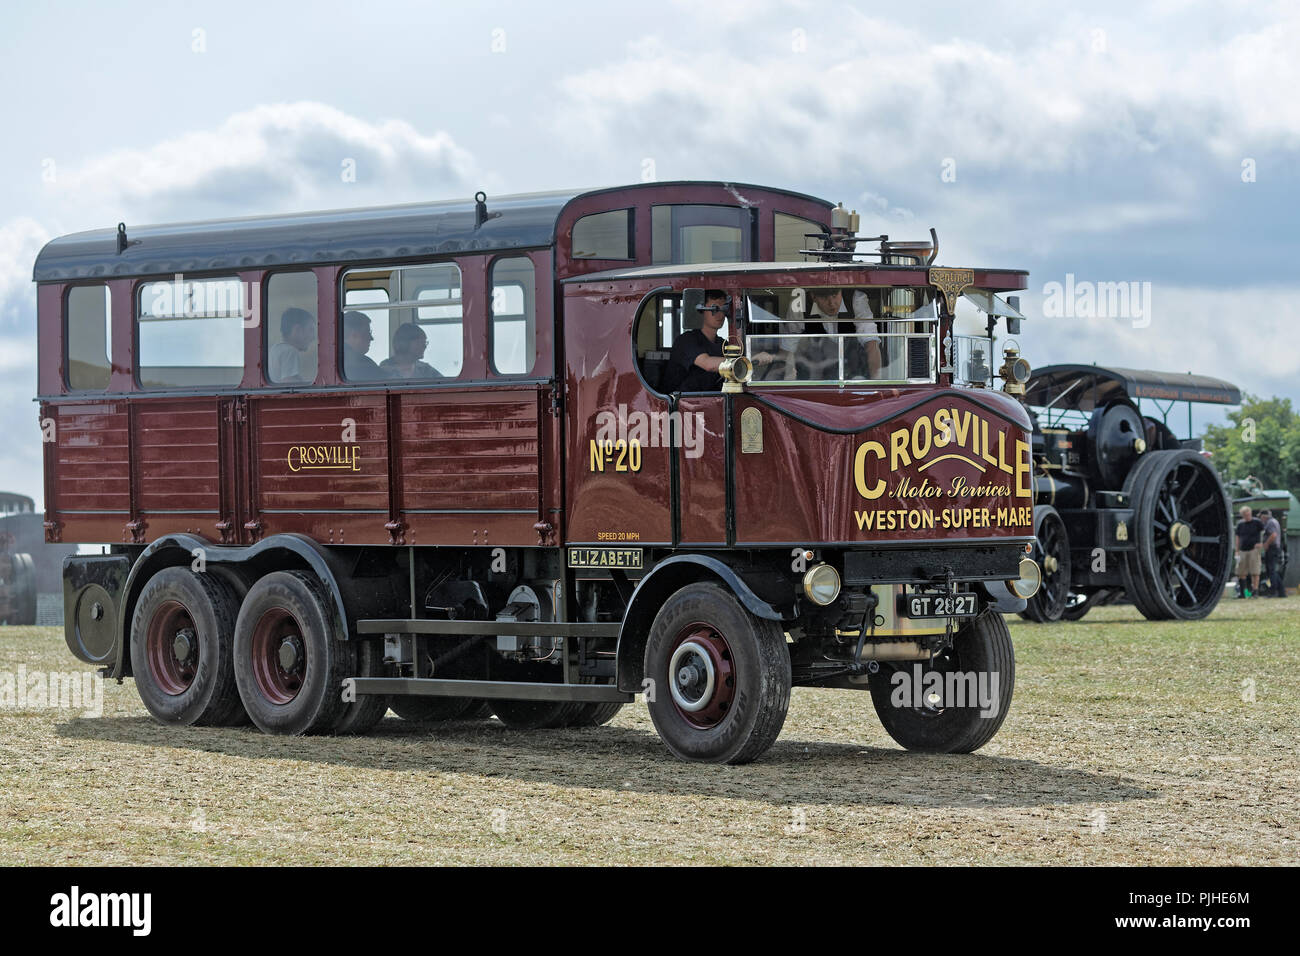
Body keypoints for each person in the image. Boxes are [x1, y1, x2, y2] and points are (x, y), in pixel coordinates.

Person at [790, 289, 882, 381]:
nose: (832, 303)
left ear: (841, 291)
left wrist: (876, 381)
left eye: (835, 296)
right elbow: (788, 347)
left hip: (853, 375)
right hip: (813, 378)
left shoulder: (856, 298)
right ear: (813, 296)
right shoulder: (799, 303)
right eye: (825, 298)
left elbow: (871, 343)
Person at [662, 290, 728, 392]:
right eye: (714, 309)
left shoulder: (723, 344)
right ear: (701, 311)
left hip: (713, 402)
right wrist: (743, 361)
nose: (720, 314)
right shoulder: (686, 341)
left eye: (724, 309)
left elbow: (738, 360)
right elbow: (708, 364)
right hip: (680, 405)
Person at [268, 308, 316, 384]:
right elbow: (288, 382)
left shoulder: (275, 349)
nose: (313, 337)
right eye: (311, 330)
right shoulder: (290, 351)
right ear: (297, 330)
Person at [342, 311, 384, 382]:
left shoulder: (338, 356)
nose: (371, 338)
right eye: (367, 332)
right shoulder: (362, 363)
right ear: (354, 334)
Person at [1235, 505, 1264, 598]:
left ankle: (1255, 591)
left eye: (1248, 514)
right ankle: (1243, 593)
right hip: (1243, 550)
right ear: (1242, 515)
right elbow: (1237, 538)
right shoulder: (1240, 524)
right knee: (1241, 572)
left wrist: (1261, 543)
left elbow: (1264, 533)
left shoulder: (1257, 522)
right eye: (1245, 515)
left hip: (1254, 550)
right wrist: (1237, 550)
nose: (1247, 516)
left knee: (1255, 571)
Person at [1259, 509, 1286, 598]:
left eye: (1261, 516)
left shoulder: (1270, 522)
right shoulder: (1274, 521)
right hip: (1275, 548)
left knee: (1271, 571)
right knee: (1273, 571)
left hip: (1272, 548)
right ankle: (1282, 592)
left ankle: (1272, 591)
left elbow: (1273, 535)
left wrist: (1266, 544)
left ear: (1264, 516)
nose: (1260, 518)